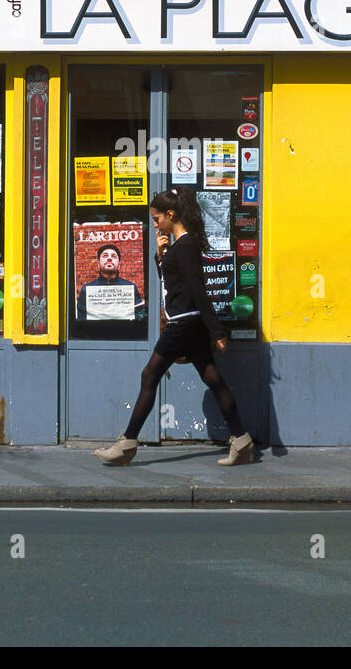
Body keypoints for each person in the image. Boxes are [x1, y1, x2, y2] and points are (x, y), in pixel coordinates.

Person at [95, 187, 255, 467]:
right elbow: (172, 286)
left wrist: (216, 330)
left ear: (171, 215)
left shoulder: (187, 246)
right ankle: (242, 441)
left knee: (149, 376)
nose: (155, 224)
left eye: (157, 219)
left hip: (184, 324)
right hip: (188, 322)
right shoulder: (180, 246)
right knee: (212, 379)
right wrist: (160, 256)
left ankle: (127, 444)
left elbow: (198, 289)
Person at [76, 243, 146, 321]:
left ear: (119, 265)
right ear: (98, 264)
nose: (109, 258)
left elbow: (139, 318)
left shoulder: (131, 288)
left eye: (113, 256)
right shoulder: (86, 290)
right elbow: (81, 320)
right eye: (105, 256)